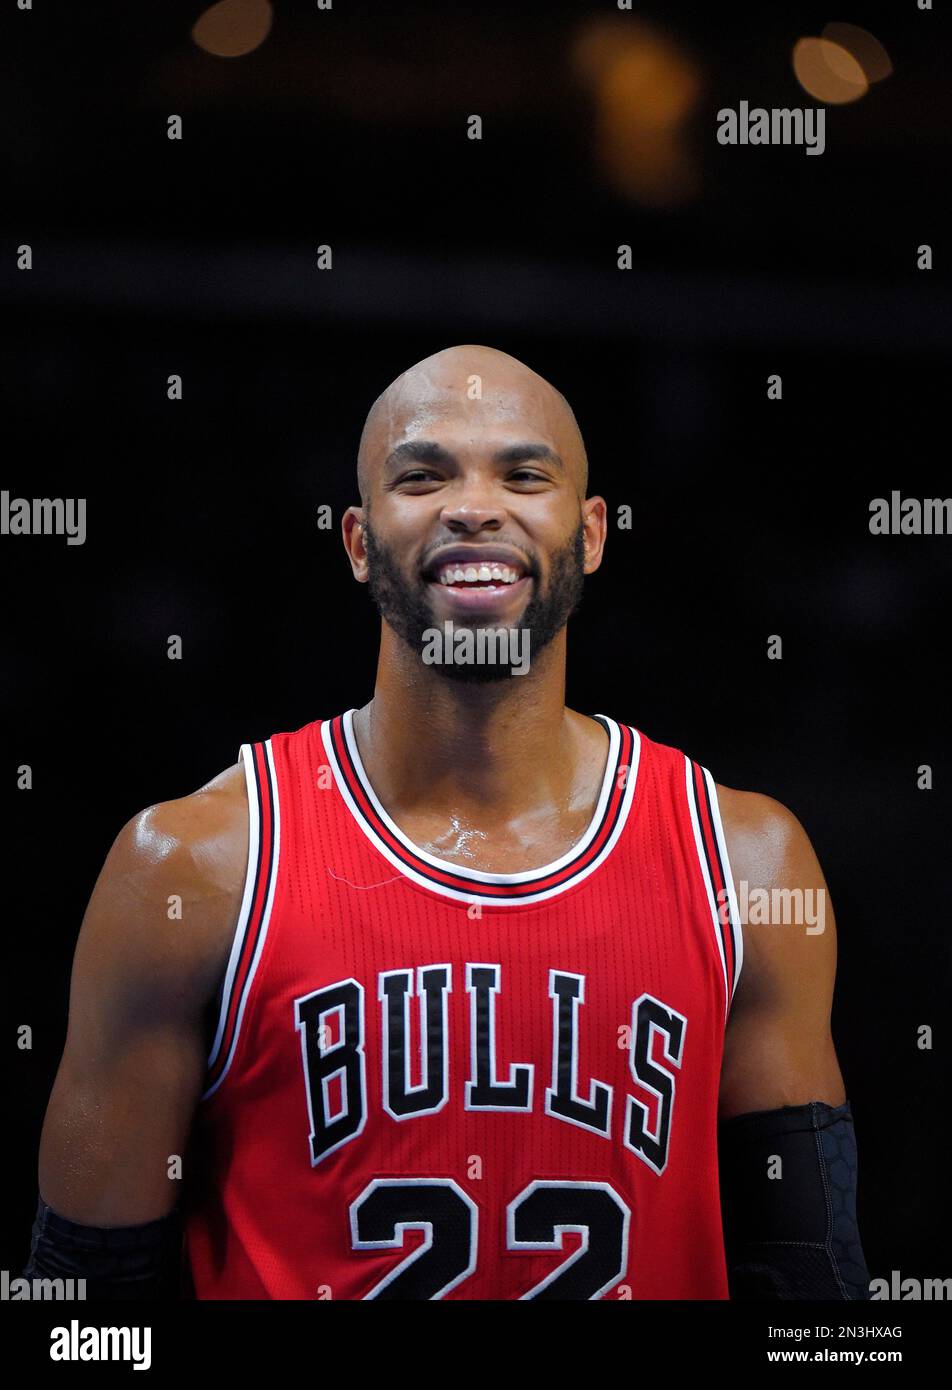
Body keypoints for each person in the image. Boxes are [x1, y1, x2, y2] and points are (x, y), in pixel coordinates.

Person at [25, 344, 869, 1299]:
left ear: (591, 533)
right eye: (423, 476)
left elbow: (813, 1292)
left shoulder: (744, 862)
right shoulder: (191, 867)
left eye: (524, 474)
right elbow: (87, 1310)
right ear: (356, 541)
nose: (474, 505)